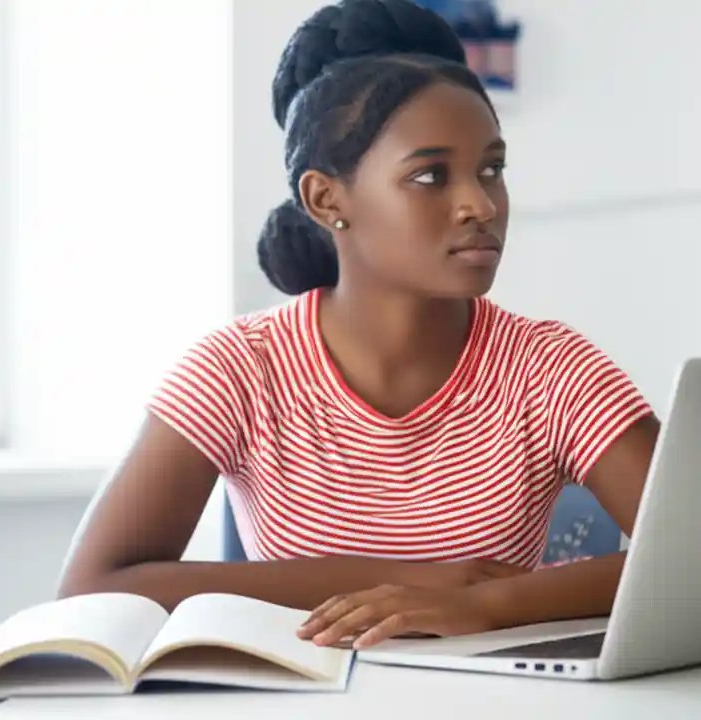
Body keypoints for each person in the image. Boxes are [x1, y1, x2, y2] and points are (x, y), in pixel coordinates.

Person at [58, 0, 659, 651]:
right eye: (431, 175)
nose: (480, 204)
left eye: (492, 169)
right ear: (327, 199)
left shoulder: (552, 366)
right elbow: (93, 587)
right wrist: (409, 579)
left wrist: (491, 602)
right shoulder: (238, 366)